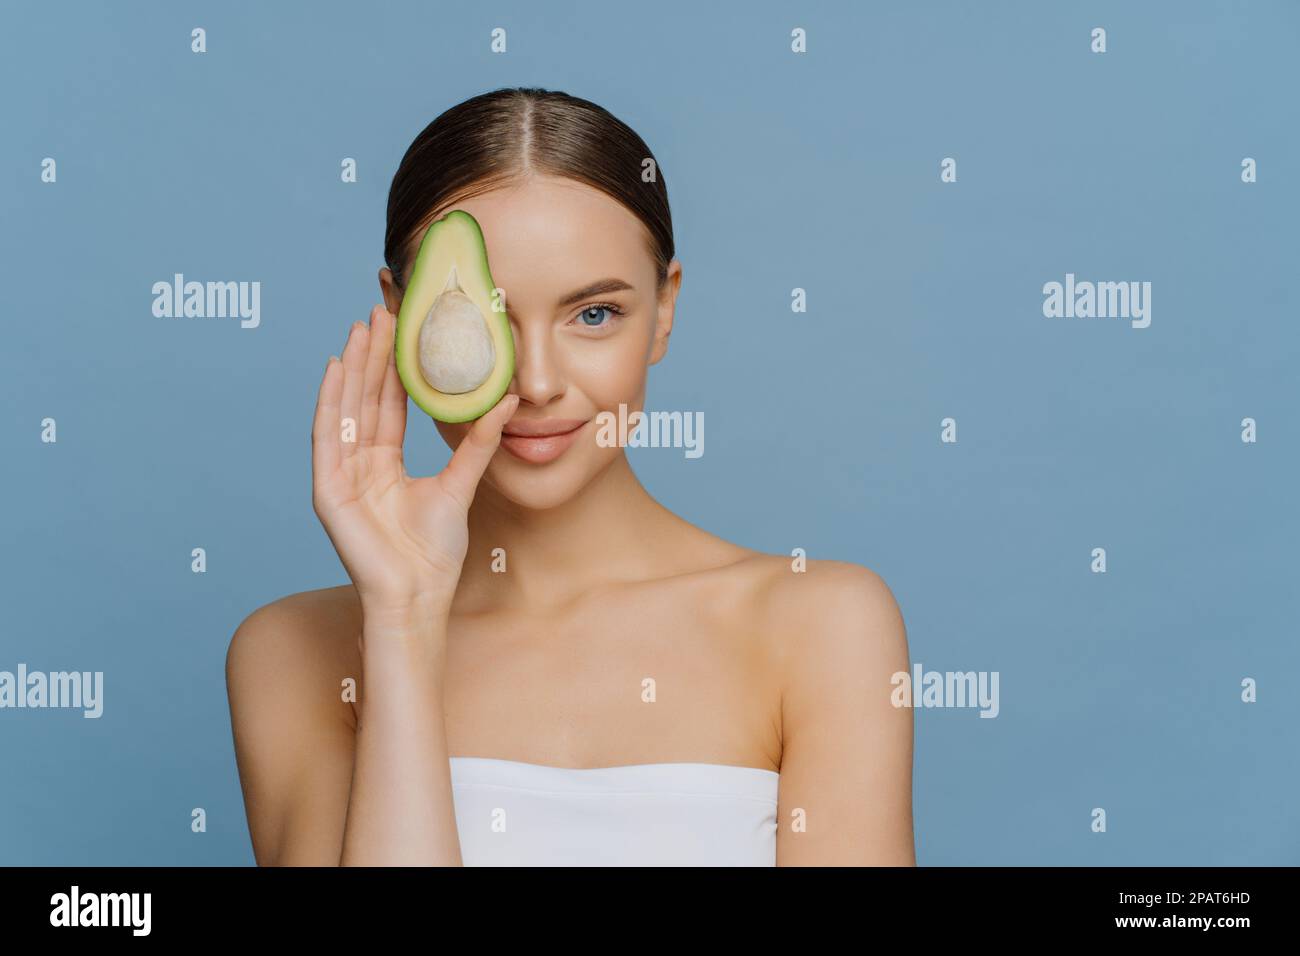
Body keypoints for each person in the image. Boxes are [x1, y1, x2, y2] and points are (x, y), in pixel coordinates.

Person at [225, 87, 914, 866]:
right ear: (399, 317)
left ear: (663, 310)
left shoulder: (822, 625)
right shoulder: (292, 654)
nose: (541, 382)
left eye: (594, 315)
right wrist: (403, 623)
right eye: (483, 319)